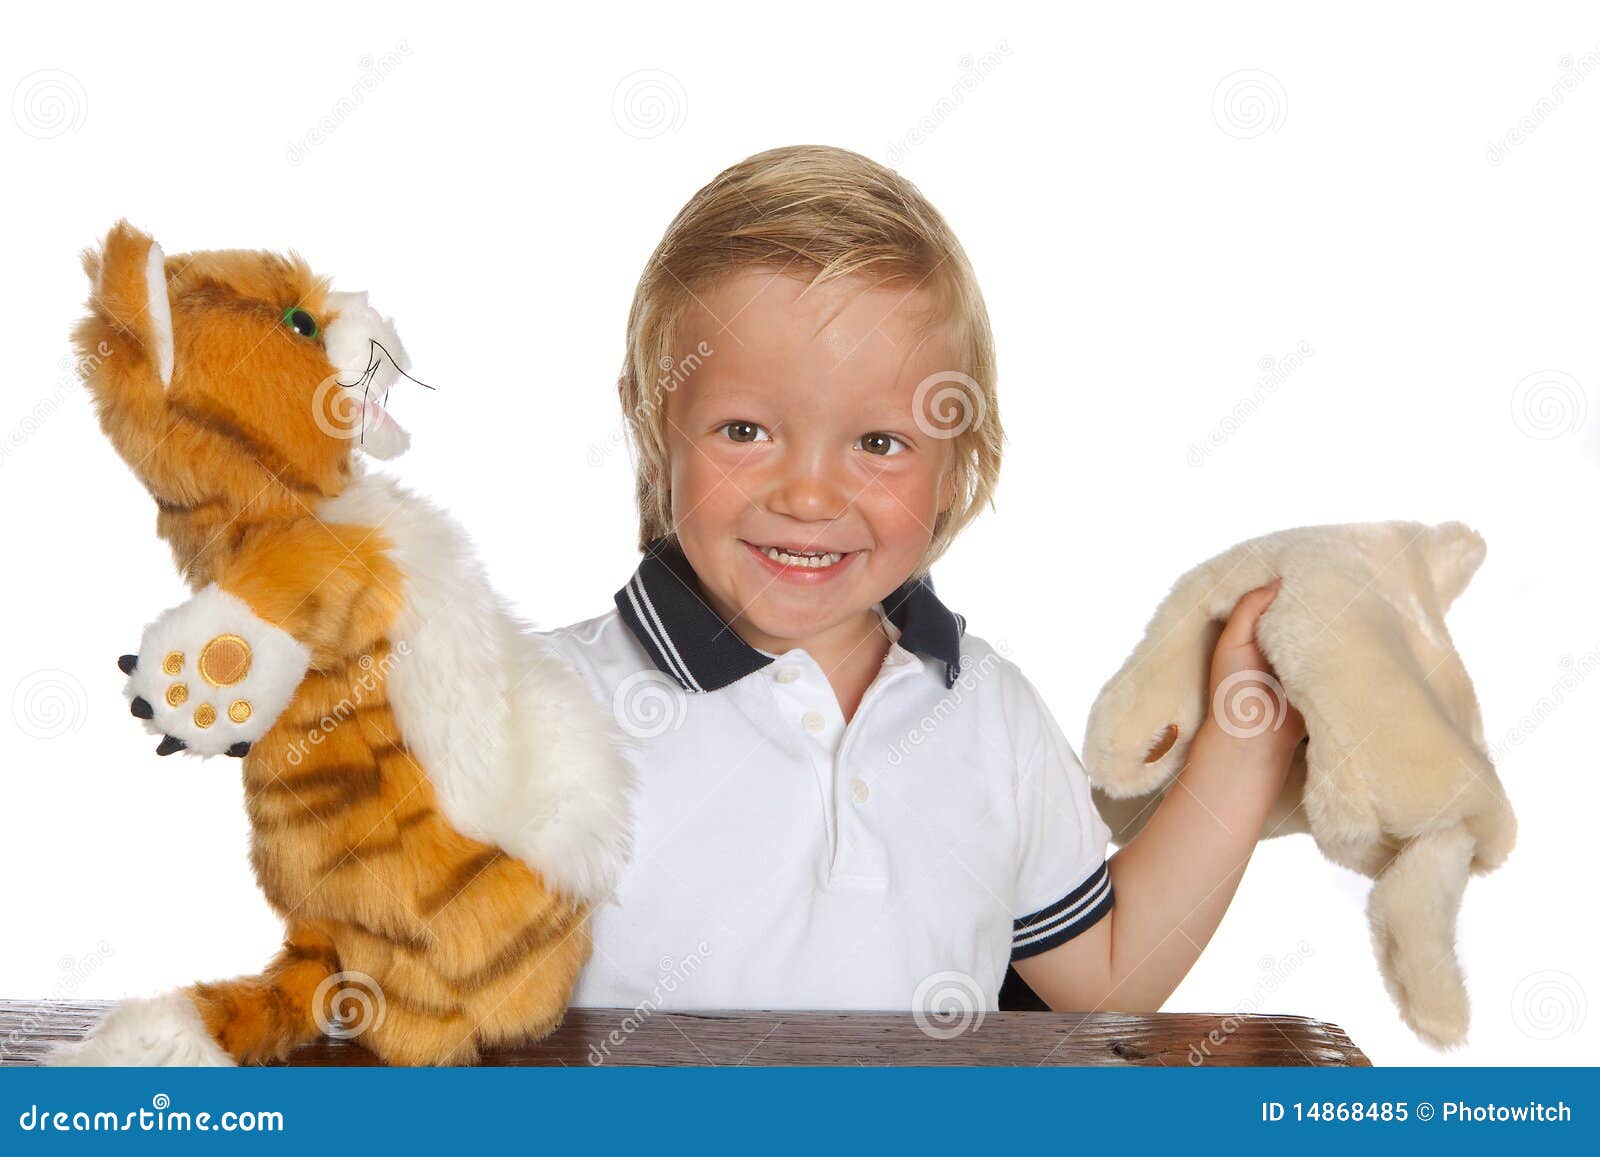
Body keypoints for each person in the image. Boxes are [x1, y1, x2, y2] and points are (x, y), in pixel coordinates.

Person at [540, 144, 1307, 1017]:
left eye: (878, 443)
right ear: (651, 423)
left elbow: (1106, 980)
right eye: (745, 430)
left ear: (955, 463)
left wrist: (1249, 736)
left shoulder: (992, 714)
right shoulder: (543, 706)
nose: (809, 495)